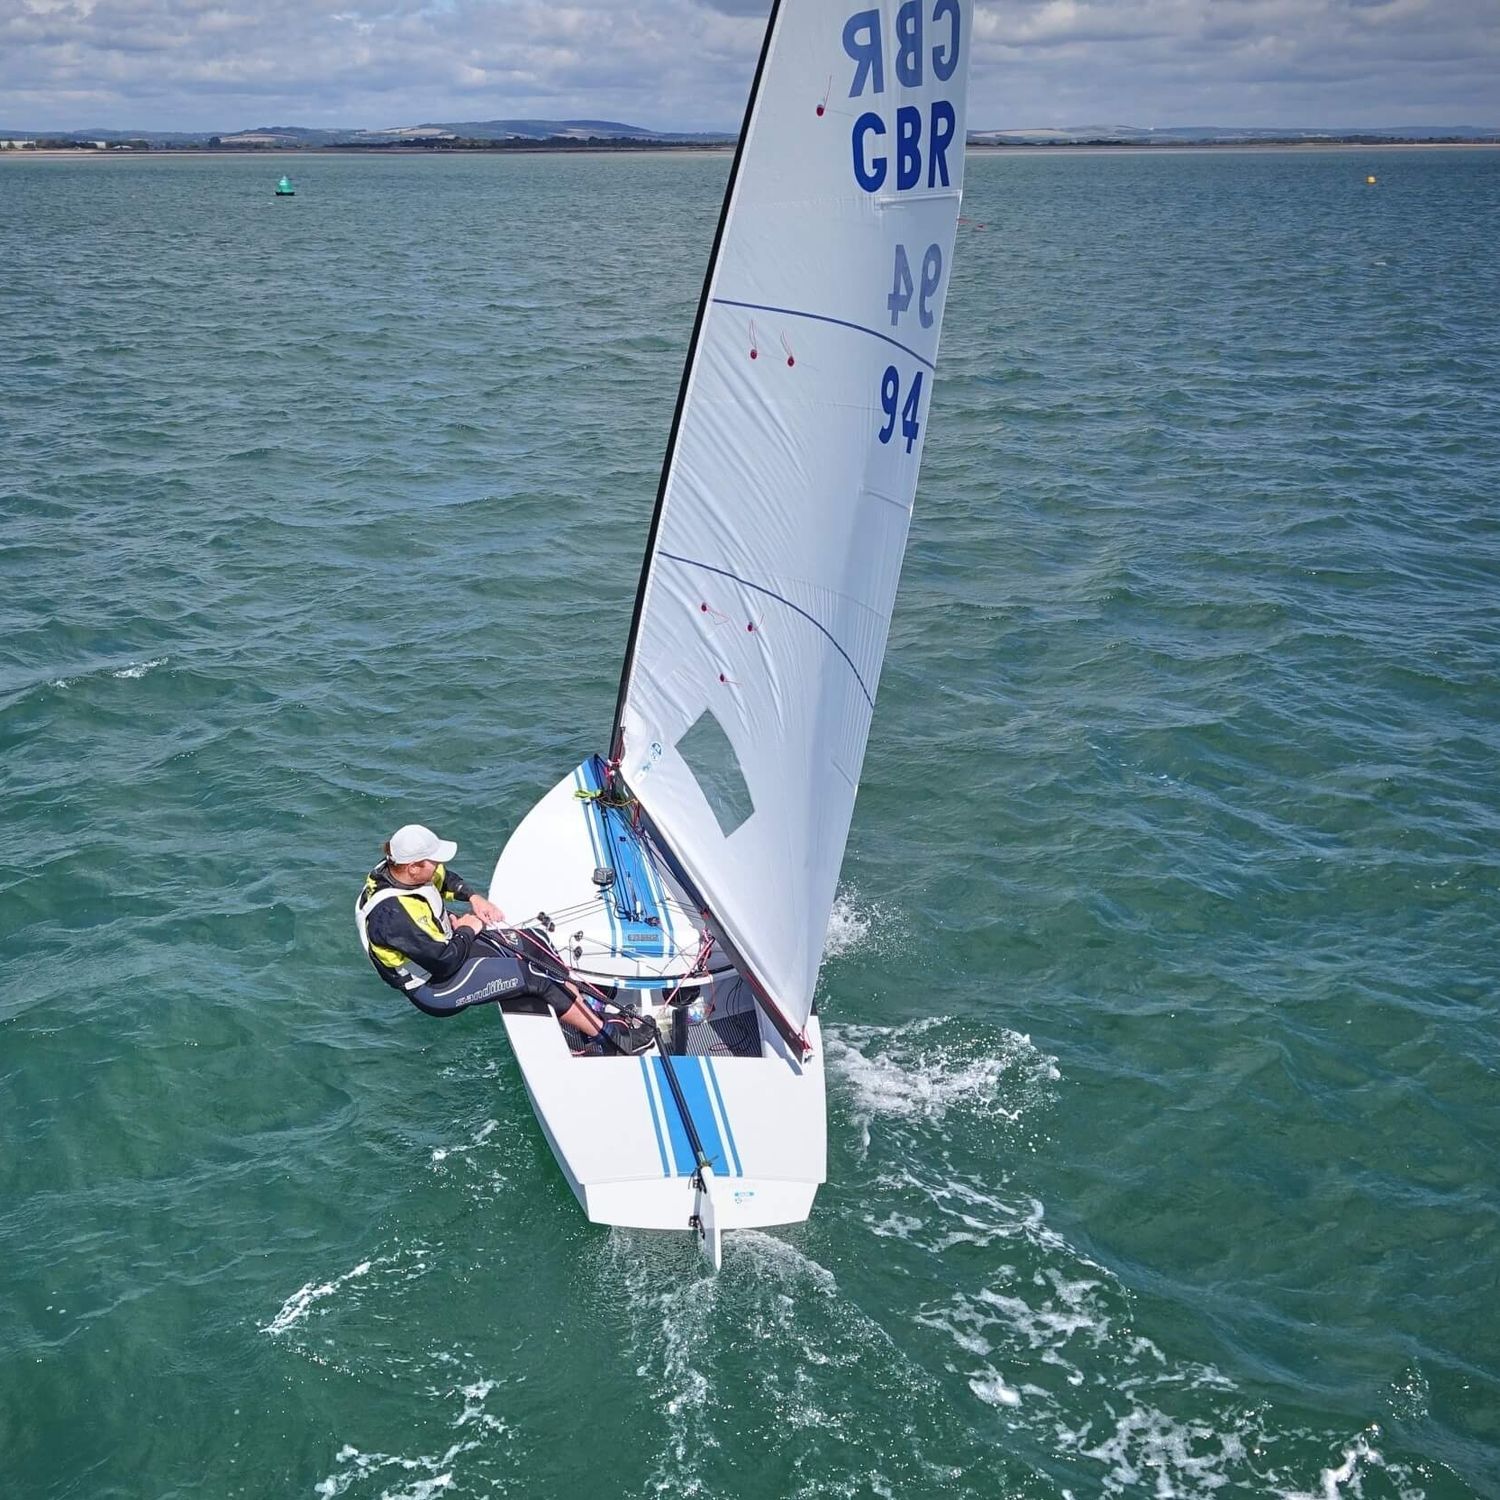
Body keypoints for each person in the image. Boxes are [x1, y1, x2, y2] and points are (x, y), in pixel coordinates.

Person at [355, 823, 613, 1047]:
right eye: (434, 862)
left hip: (452, 947)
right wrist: (468, 928)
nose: (439, 866)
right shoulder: (391, 917)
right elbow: (444, 963)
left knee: (536, 941)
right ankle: (607, 1036)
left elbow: (445, 880)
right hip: (435, 985)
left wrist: (474, 898)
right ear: (413, 867)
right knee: (532, 976)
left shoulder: (401, 870)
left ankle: (582, 1003)